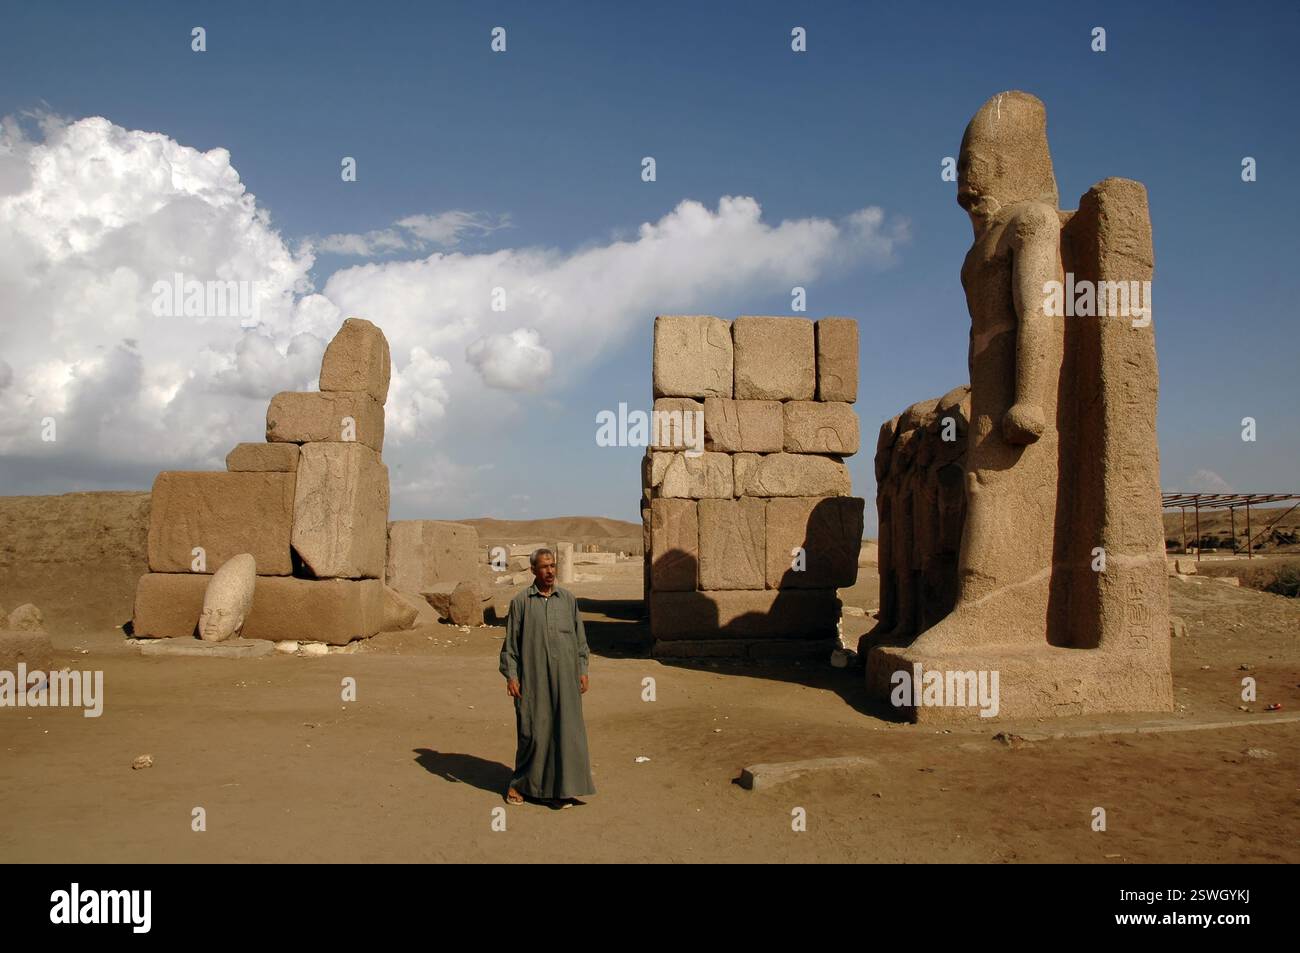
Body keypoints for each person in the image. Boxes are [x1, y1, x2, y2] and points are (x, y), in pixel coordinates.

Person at [499, 547, 595, 807]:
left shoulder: (568, 599)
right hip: (533, 679)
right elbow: (511, 646)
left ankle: (562, 789)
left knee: (566, 732)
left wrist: (582, 669)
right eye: (544, 566)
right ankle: (520, 785)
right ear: (533, 570)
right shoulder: (521, 602)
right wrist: (511, 676)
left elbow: (579, 639)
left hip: (566, 679)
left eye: (552, 565)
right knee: (533, 731)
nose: (550, 571)